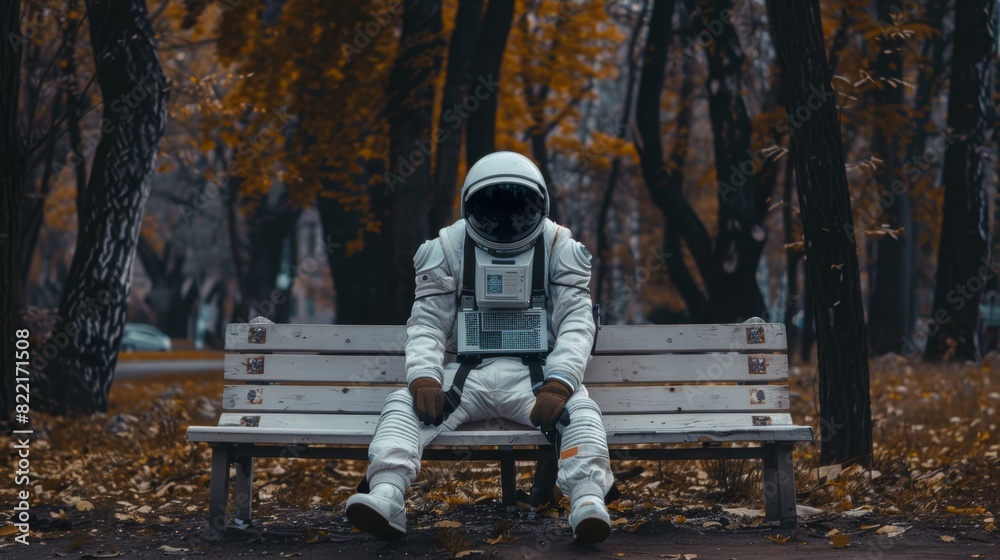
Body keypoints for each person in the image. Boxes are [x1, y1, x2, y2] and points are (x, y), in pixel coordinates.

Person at [345, 151, 614, 544]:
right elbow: (427, 324)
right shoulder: (448, 247)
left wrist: (561, 383)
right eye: (492, 211)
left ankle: (588, 500)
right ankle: (387, 495)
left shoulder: (558, 245)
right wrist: (423, 378)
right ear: (469, 205)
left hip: (537, 380)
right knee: (404, 404)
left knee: (579, 412)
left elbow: (576, 323)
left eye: (519, 211)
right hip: (466, 378)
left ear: (540, 204)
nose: (506, 221)